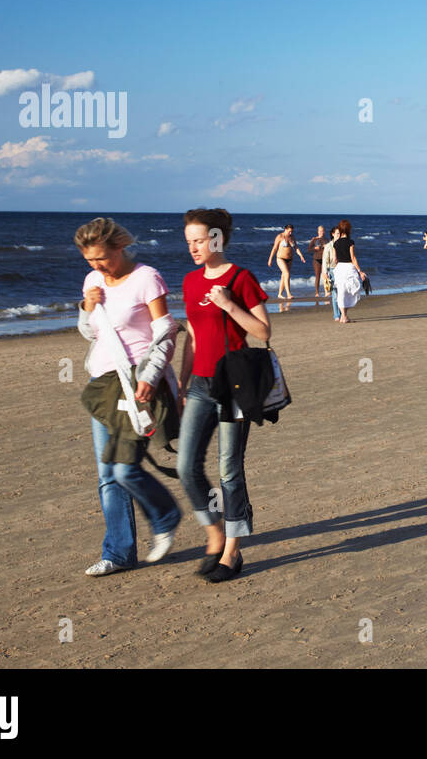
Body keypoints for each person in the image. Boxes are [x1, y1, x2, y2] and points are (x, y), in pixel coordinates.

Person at [75, 217, 182, 576]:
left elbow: (167, 331)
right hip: (104, 385)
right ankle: (118, 553)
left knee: (123, 468)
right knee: (107, 473)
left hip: (138, 382)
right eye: (90, 260)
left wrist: (151, 376)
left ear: (119, 247)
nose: (97, 266)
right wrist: (86, 307)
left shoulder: (146, 278)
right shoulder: (92, 280)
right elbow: (88, 334)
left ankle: (166, 516)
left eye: (102, 258)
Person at [178, 207, 271, 583]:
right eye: (189, 242)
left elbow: (263, 332)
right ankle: (214, 531)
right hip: (200, 385)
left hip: (234, 386)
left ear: (217, 239)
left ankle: (233, 551)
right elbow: (193, 336)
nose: (193, 248)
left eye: (199, 240)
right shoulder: (189, 281)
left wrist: (229, 305)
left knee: (229, 468)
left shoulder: (241, 278)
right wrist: (181, 382)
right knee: (186, 467)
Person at [329, 219, 366, 323]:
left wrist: (331, 270)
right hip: (349, 268)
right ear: (349, 229)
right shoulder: (350, 242)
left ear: (340, 230)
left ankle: (343, 316)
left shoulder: (335, 243)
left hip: (339, 268)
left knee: (341, 292)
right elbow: (353, 257)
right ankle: (344, 316)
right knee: (354, 289)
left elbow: (335, 259)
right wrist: (360, 271)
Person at [267, 224, 303, 301]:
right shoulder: (280, 236)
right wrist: (270, 259)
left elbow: (296, 247)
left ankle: (279, 294)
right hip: (280, 258)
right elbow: (274, 248)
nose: (290, 233)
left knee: (284, 276)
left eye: (292, 231)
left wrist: (301, 256)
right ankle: (288, 293)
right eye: (289, 231)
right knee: (287, 273)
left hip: (290, 259)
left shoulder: (292, 237)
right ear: (285, 229)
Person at [320, 223, 340, 320]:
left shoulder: (342, 245)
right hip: (332, 270)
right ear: (332, 234)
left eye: (340, 233)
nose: (339, 235)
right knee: (335, 294)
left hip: (341, 270)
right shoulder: (328, 246)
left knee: (342, 293)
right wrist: (325, 273)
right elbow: (325, 261)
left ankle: (342, 313)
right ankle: (337, 315)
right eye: (337, 233)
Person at [306, 226, 328, 298]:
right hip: (316, 259)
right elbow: (309, 249)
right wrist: (314, 248)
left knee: (325, 275)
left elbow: (330, 248)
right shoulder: (314, 239)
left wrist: (325, 246)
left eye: (322, 231)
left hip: (324, 259)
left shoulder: (326, 240)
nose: (321, 232)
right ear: (318, 231)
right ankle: (317, 292)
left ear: (324, 231)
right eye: (320, 231)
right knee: (317, 276)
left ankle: (326, 291)